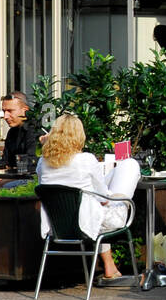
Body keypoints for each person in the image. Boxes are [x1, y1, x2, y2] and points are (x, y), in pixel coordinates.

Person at [35, 113, 138, 281]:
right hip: (88, 224)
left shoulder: (42, 163)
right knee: (130, 165)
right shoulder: (86, 160)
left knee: (93, 205)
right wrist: (112, 196)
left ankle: (110, 267)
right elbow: (104, 198)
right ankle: (111, 268)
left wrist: (48, 145)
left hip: (59, 226)